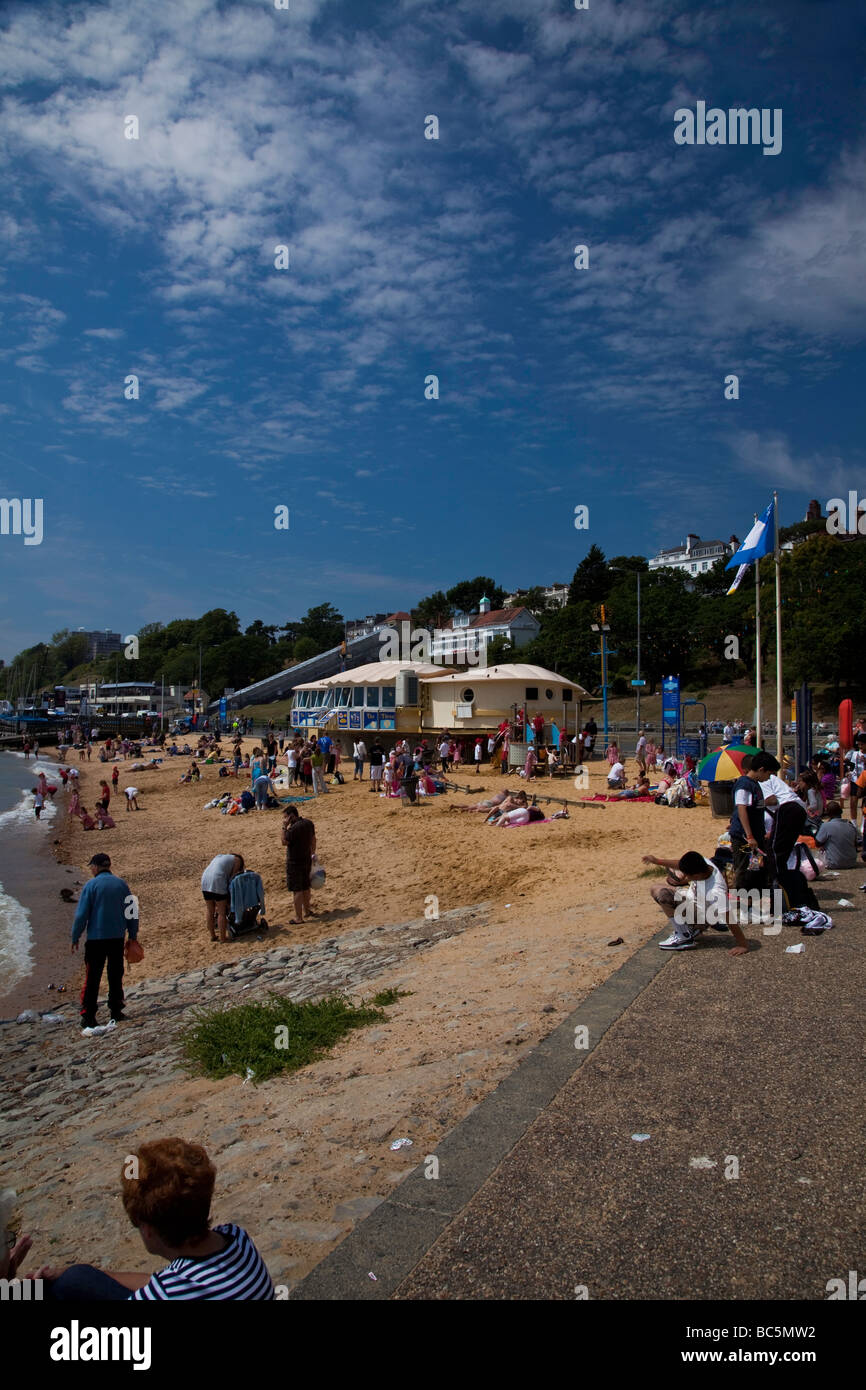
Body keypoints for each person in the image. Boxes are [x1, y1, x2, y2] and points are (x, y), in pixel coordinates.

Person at [31, 1139, 274, 1301]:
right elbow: (162, 1283)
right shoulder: (236, 1238)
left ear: (147, 1231)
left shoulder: (164, 1295)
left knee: (70, 1285)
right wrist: (94, 1273)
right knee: (78, 1276)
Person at [72, 853, 140, 1029]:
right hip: (117, 938)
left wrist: (75, 936)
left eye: (91, 867)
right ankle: (116, 1010)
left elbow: (81, 915)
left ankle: (88, 1015)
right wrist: (133, 935)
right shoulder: (121, 884)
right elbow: (132, 911)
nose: (91, 869)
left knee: (92, 977)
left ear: (95, 867)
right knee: (115, 975)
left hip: (96, 939)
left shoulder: (91, 886)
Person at [643, 849, 749, 956]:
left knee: (663, 894)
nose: (687, 878)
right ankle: (691, 931)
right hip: (694, 902)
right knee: (655, 888)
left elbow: (729, 919)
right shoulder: (704, 863)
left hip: (701, 918)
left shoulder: (716, 891)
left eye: (689, 875)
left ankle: (684, 936)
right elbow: (680, 864)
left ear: (697, 875)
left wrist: (742, 945)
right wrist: (657, 861)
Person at [728, 751, 779, 891]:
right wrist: (749, 836)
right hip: (744, 838)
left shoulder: (754, 784)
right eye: (769, 774)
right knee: (743, 870)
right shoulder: (744, 784)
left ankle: (754, 898)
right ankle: (740, 900)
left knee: (756, 870)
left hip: (756, 836)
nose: (768, 778)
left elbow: (754, 806)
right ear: (761, 770)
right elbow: (742, 808)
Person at [282, 806, 316, 924]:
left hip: (294, 862)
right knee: (306, 886)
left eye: (286, 817)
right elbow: (313, 839)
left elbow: (284, 841)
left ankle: (298, 917)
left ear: (291, 816)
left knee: (297, 890)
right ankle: (307, 911)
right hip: (306, 858)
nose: (285, 819)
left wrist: (284, 827)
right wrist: (313, 854)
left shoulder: (293, 829)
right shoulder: (308, 823)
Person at [201, 853, 244, 944]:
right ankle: (223, 938)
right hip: (217, 880)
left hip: (205, 879)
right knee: (221, 912)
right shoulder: (237, 860)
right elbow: (232, 877)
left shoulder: (220, 857)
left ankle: (212, 936)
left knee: (210, 910)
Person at [814, 801, 859, 869]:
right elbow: (855, 844)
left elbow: (817, 843)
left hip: (834, 863)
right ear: (841, 812)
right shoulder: (850, 825)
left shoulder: (826, 826)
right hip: (851, 862)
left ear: (828, 814)